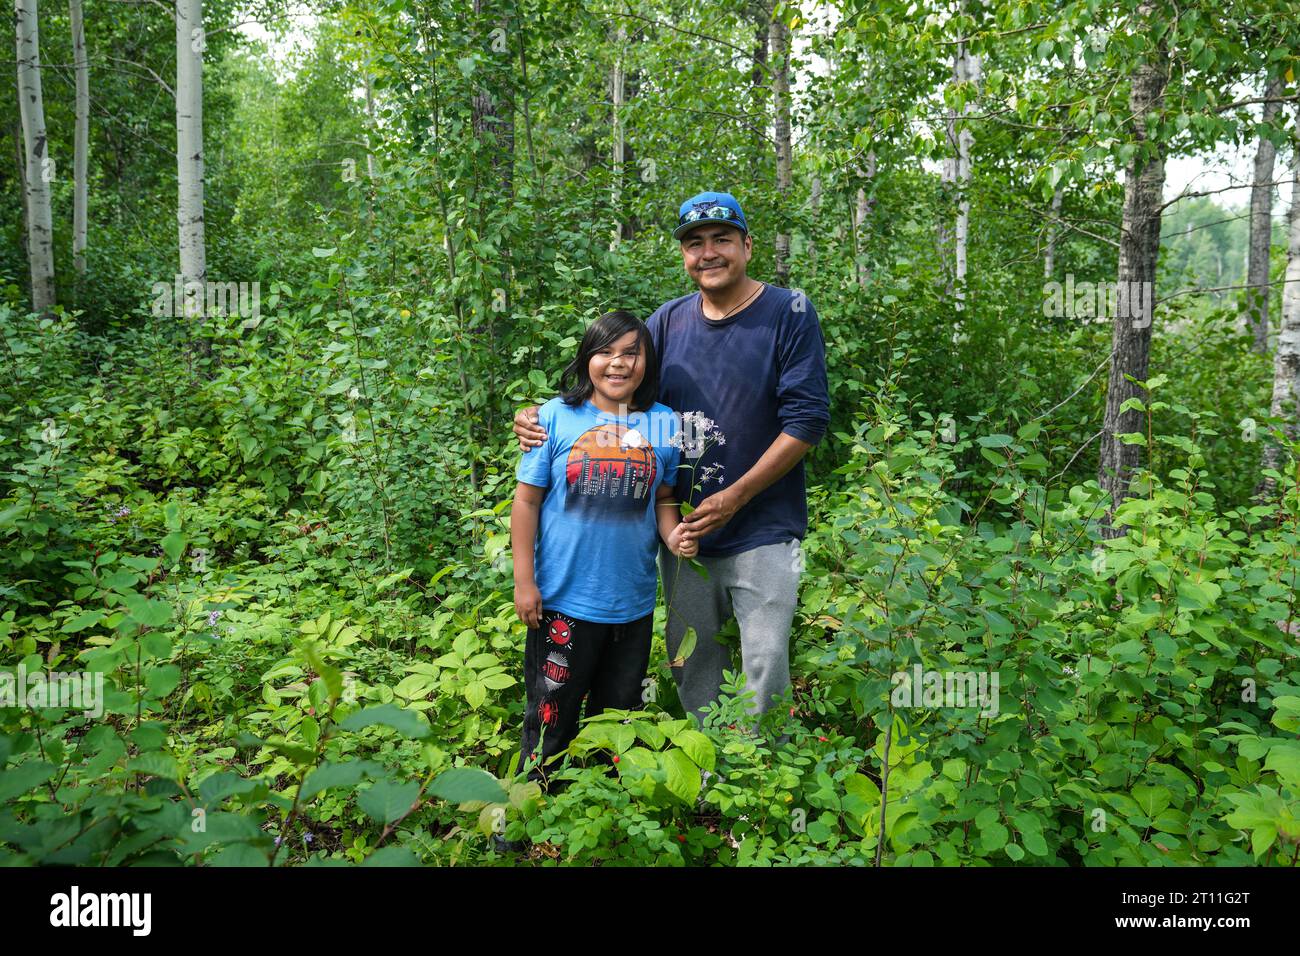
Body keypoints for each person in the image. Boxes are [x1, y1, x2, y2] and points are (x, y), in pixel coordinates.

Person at [513, 191, 830, 725]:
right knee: (695, 658)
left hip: (764, 525)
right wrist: (540, 414)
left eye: (721, 240)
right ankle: (711, 771)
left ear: (747, 246)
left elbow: (806, 423)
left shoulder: (788, 313)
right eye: (694, 243)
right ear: (684, 255)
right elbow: (617, 392)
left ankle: (764, 783)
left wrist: (736, 496)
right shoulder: (667, 321)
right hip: (682, 530)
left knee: (766, 657)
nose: (708, 253)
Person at [510, 309, 697, 789]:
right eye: (605, 352)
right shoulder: (553, 418)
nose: (618, 363)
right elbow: (527, 503)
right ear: (587, 360)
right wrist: (524, 582)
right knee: (552, 716)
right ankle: (528, 812)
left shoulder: (663, 425)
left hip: (631, 606)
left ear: (646, 363)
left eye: (631, 353)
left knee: (616, 720)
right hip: (563, 604)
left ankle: (600, 812)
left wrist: (675, 535)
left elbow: (662, 499)